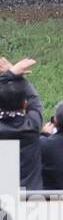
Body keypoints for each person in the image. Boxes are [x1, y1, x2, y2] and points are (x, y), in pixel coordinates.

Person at [0, 57, 43, 189]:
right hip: (30, 199)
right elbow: (34, 99)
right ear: (25, 104)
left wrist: (10, 74)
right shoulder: (33, 125)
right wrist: (18, 77)